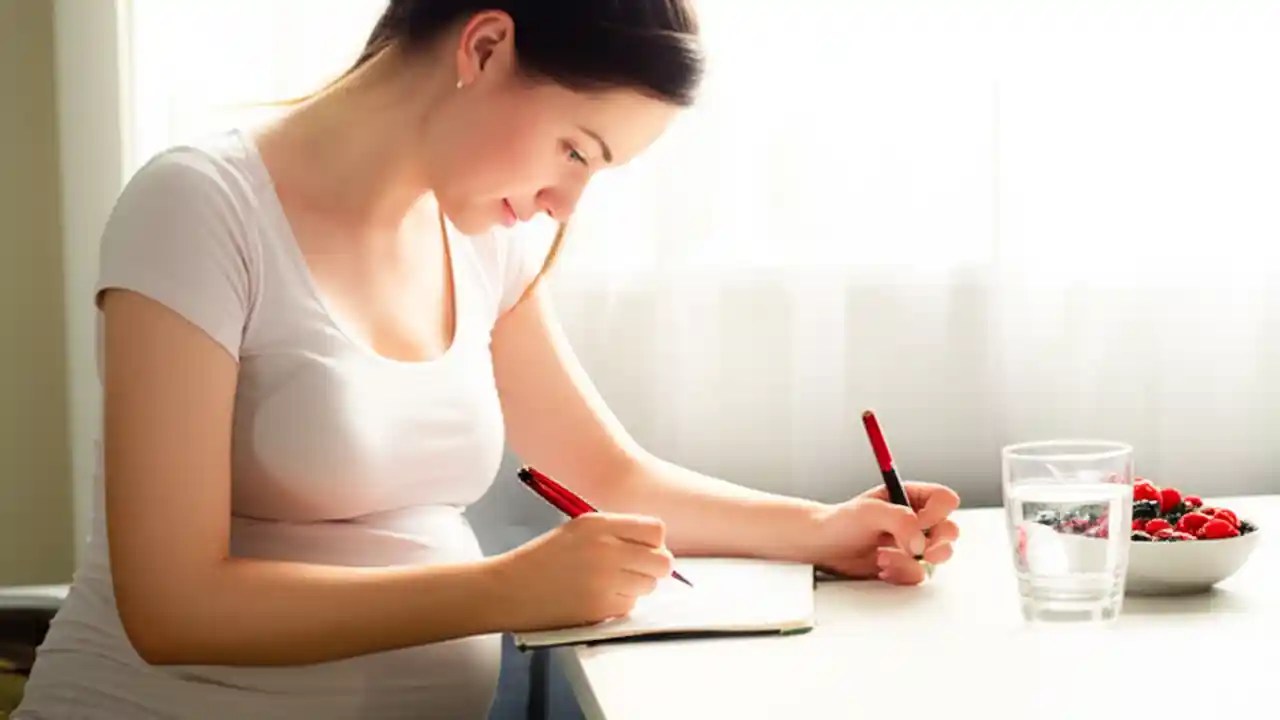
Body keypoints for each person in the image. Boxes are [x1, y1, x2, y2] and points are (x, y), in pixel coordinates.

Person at [17, 1, 961, 718]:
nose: (566, 200)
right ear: (483, 47)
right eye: (576, 151)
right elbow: (172, 603)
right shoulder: (198, 207)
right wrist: (506, 589)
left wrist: (828, 528)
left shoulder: (482, 236)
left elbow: (609, 474)